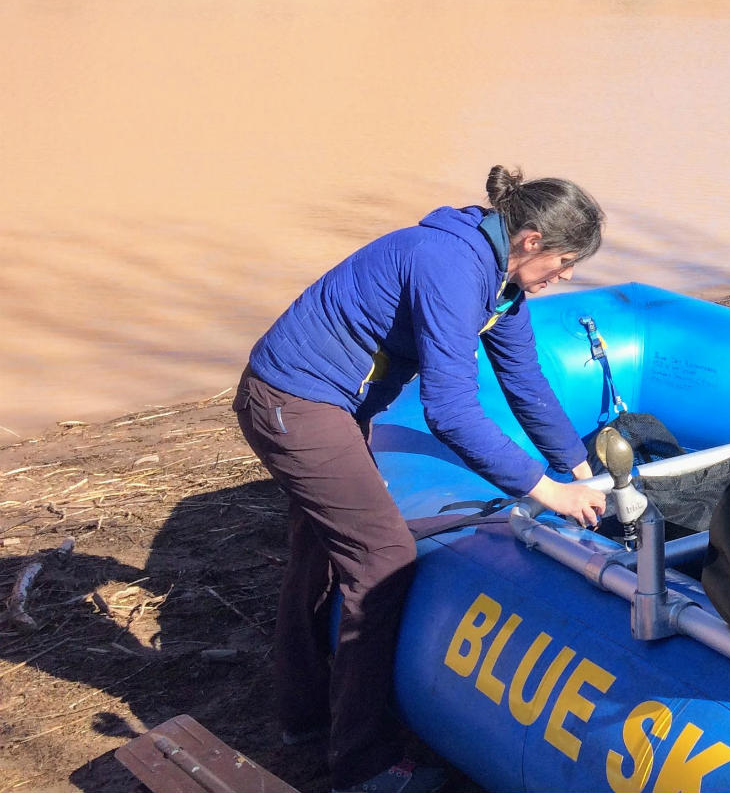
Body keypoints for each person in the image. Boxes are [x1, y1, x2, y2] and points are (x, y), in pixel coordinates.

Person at [233, 166, 613, 793]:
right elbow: (452, 411)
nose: (567, 275)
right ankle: (364, 765)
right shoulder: (450, 266)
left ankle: (301, 714)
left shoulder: (500, 285)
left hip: (324, 406)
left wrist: (581, 470)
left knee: (323, 550)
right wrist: (545, 492)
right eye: (566, 260)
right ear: (530, 239)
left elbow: (525, 382)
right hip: (292, 402)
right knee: (383, 556)